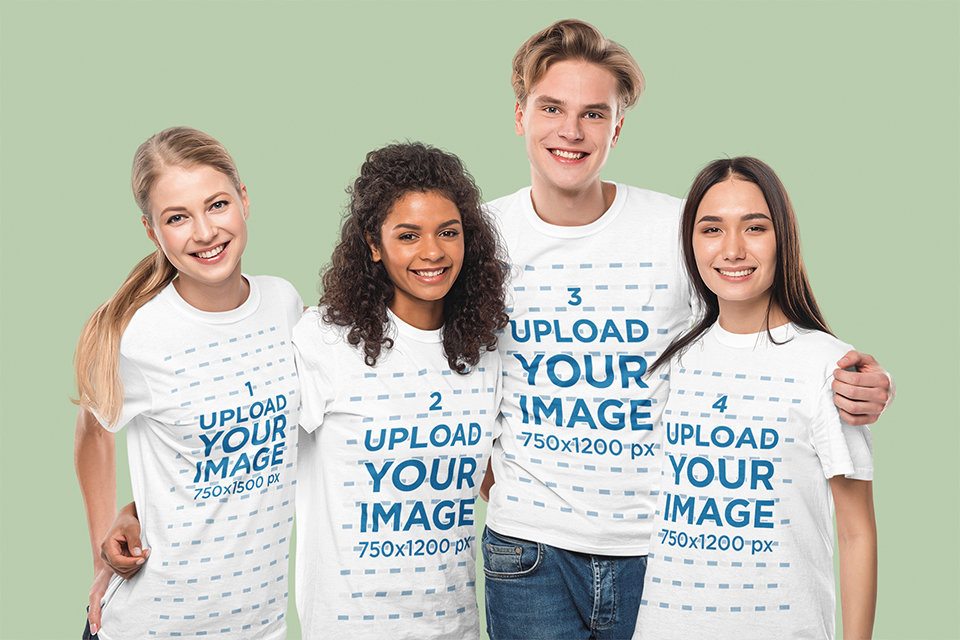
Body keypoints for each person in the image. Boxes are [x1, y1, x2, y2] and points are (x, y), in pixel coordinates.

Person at [480, 19, 891, 639]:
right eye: (551, 108)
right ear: (519, 115)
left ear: (618, 127)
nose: (571, 131)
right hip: (529, 552)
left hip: (660, 555)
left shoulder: (681, 228)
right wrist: (500, 478)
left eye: (594, 113)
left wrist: (864, 380)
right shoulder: (479, 239)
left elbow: (761, 327)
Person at [632, 157, 877, 639]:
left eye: (755, 227)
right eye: (711, 229)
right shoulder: (672, 361)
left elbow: (856, 533)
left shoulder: (828, 367)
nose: (733, 249)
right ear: (691, 244)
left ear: (782, 237)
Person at [74, 127, 302, 639]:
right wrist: (100, 549)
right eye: (177, 217)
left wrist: (139, 508)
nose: (204, 231)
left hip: (258, 627)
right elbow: (93, 430)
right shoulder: (137, 335)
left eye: (217, 204)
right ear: (153, 232)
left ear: (244, 200)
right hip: (152, 625)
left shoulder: (284, 305)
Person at [291, 142, 508, 639]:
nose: (432, 252)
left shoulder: (486, 351)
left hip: (454, 626)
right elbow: (258, 450)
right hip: (350, 626)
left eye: (448, 233)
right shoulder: (325, 339)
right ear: (374, 243)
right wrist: (143, 510)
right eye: (408, 235)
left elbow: (499, 482)